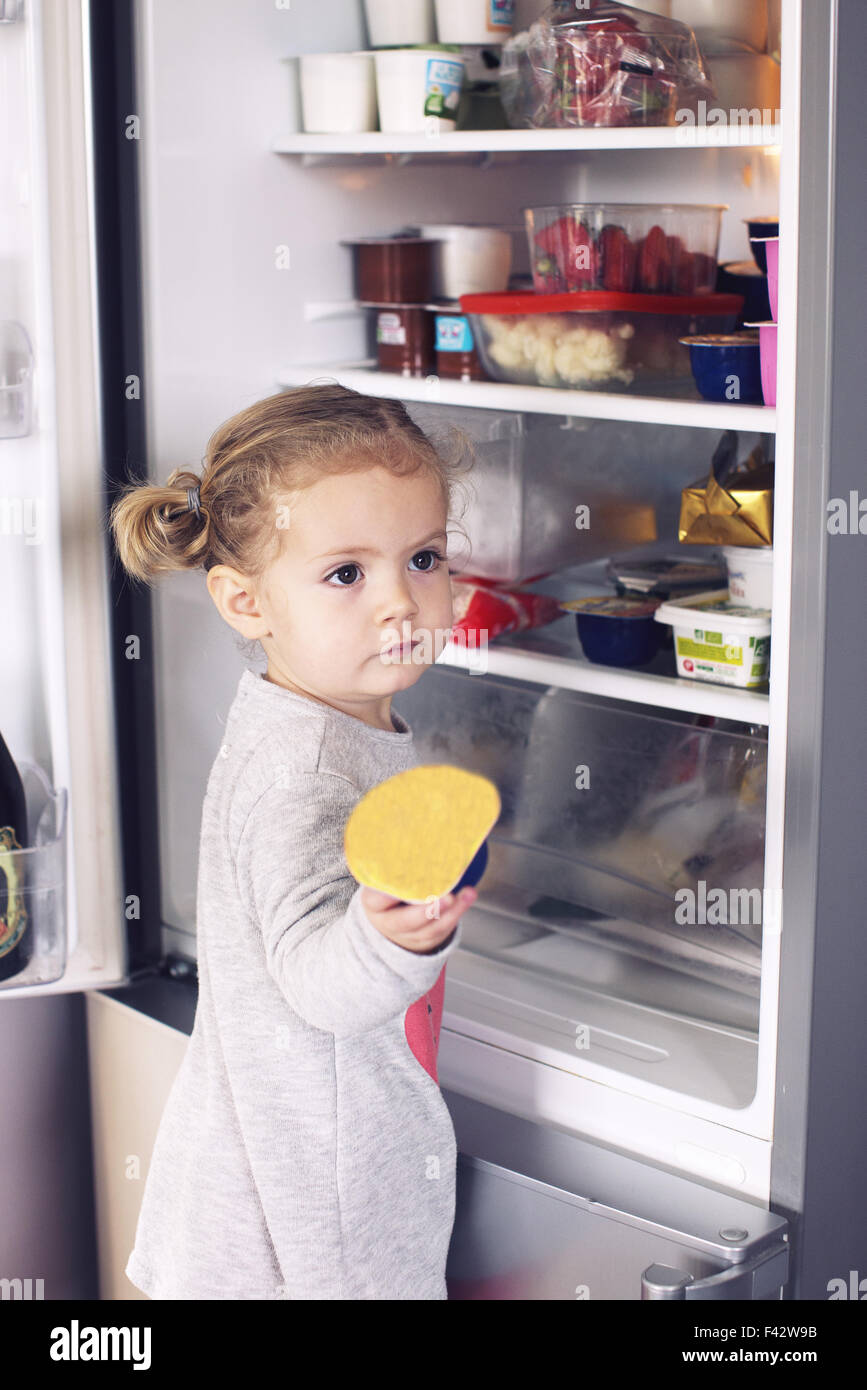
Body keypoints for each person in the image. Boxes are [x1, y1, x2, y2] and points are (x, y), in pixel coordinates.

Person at [109, 382, 478, 1299]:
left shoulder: (315, 714)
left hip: (268, 1192)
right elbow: (317, 977)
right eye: (346, 573)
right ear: (245, 603)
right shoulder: (304, 773)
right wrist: (383, 938)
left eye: (423, 556)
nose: (401, 600)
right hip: (301, 1238)